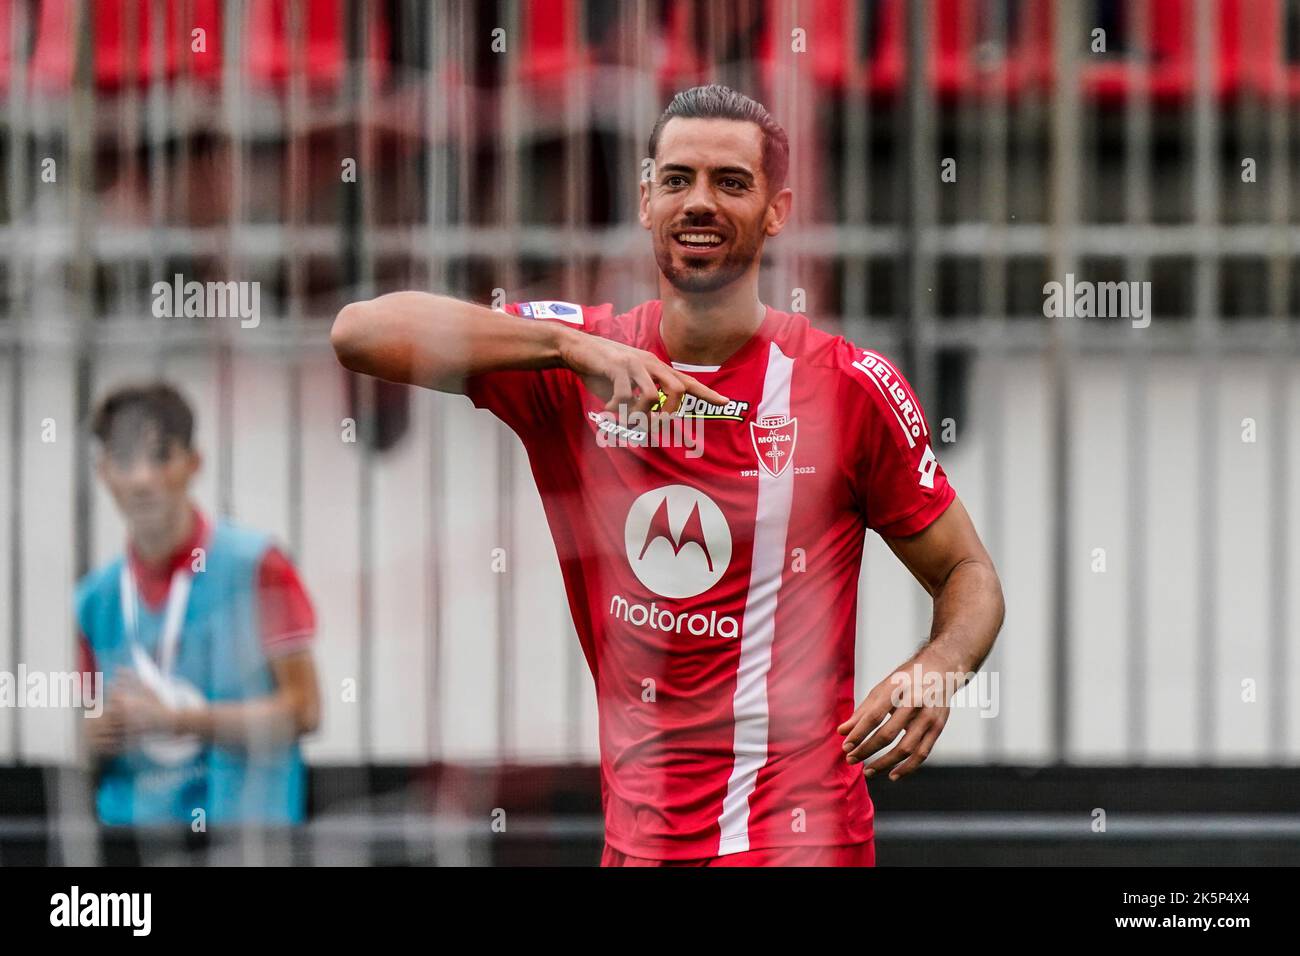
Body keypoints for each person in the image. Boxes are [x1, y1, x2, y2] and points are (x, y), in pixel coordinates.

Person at [331, 84, 1005, 866]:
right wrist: (563, 348)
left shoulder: (847, 388)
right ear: (645, 199)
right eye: (678, 179)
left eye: (731, 182)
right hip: (639, 843)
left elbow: (968, 571)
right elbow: (359, 332)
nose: (700, 203)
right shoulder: (576, 361)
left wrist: (939, 668)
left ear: (777, 210)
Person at [76, 382, 321, 826]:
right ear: (103, 472)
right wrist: (96, 736)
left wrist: (182, 721)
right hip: (135, 839)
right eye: (125, 460)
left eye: (160, 456)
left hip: (248, 838)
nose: (142, 478)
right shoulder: (94, 600)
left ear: (194, 463)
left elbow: (305, 710)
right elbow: (90, 730)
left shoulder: (259, 564)